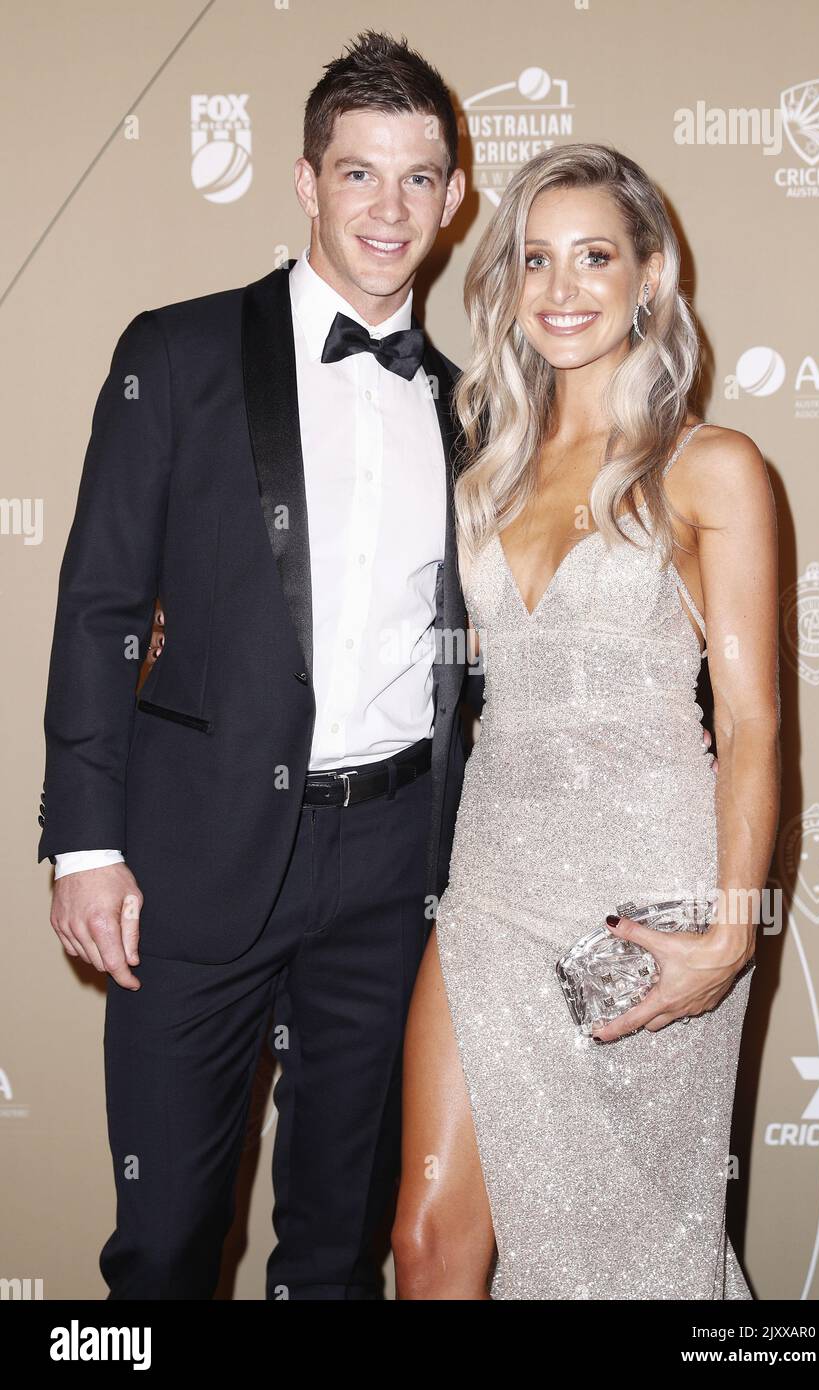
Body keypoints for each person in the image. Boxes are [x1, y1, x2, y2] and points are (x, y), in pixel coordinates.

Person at [37, 31, 472, 1300]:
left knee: (335, 1249)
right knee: (165, 1242)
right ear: (304, 181)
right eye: (358, 174)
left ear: (451, 197)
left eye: (417, 178)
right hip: (189, 855)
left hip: (391, 870)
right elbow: (99, 605)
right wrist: (85, 841)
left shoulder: (470, 404)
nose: (387, 209)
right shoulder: (172, 355)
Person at [391, 144, 780, 1300]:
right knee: (423, 1237)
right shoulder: (481, 477)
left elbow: (753, 721)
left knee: (627, 1258)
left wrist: (730, 928)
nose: (560, 288)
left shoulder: (709, 468)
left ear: (649, 276)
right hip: (494, 880)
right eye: (534, 260)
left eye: (594, 257)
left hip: (648, 894)